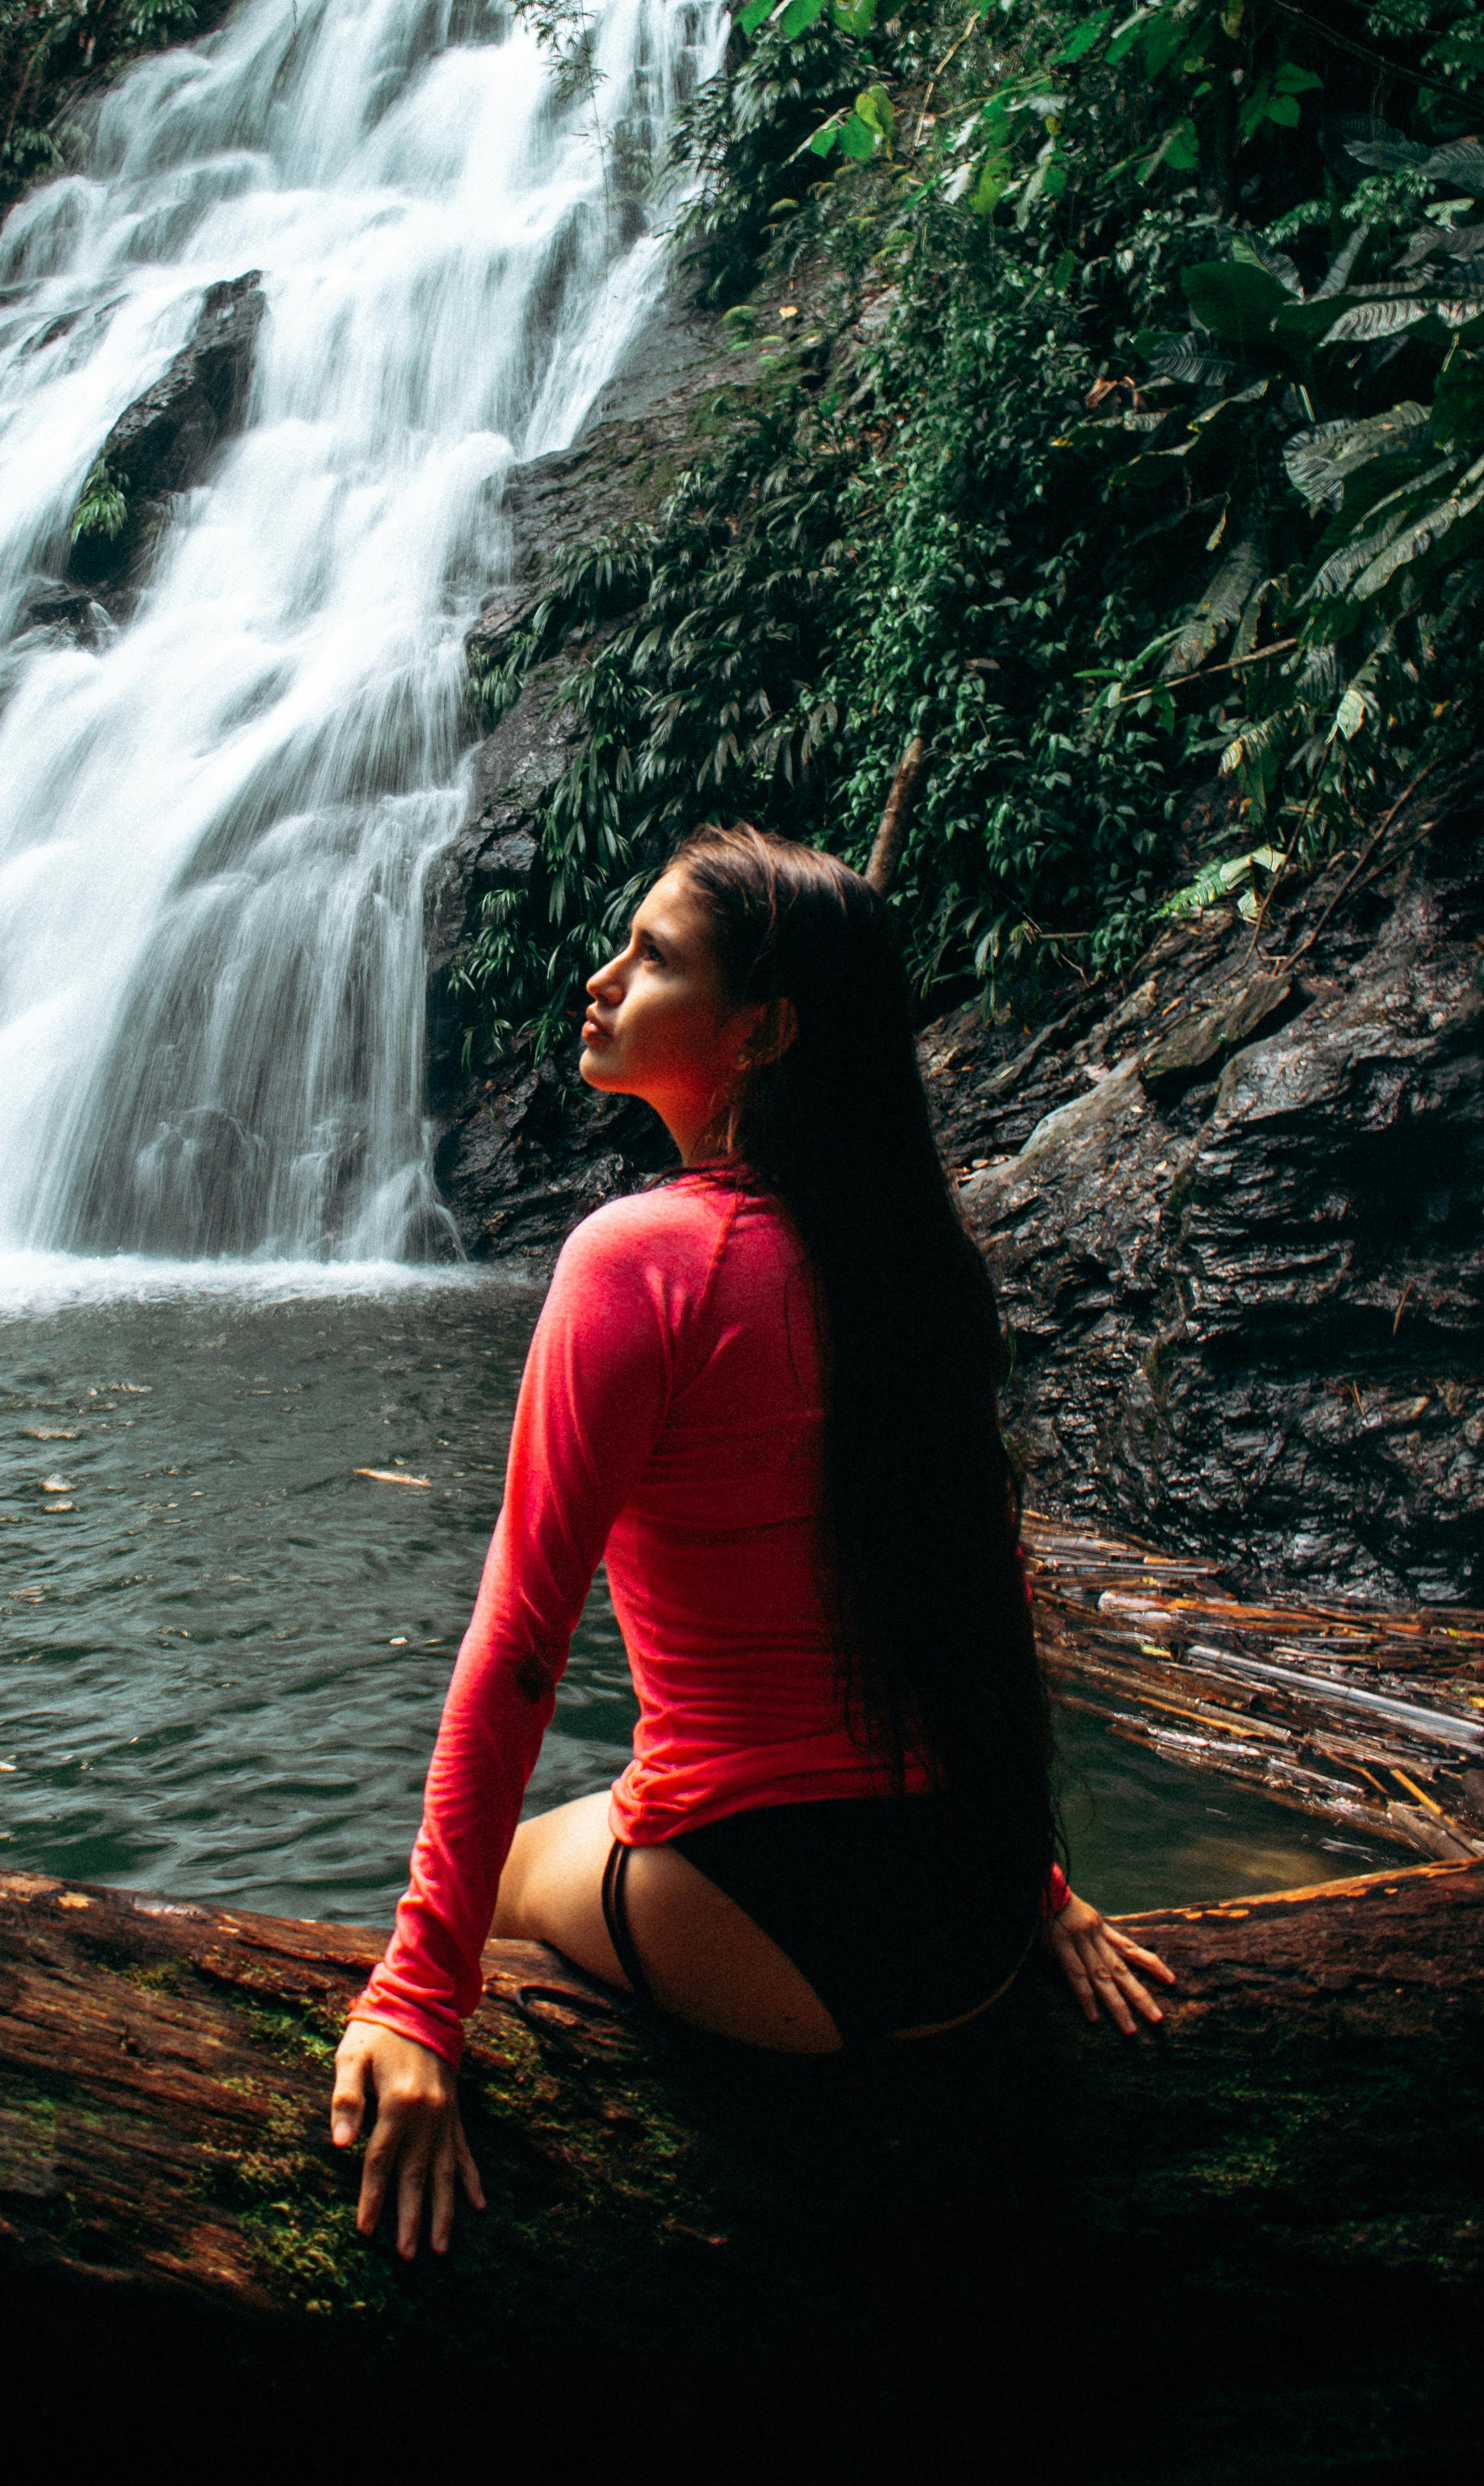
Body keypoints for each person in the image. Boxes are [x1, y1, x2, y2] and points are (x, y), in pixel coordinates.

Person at [331, 824, 1174, 2259]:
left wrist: (418, 1993)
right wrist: (1032, 1878)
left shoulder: (640, 1259)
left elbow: (525, 1645)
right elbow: (981, 1596)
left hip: (793, 1934)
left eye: (654, 959)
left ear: (766, 1030)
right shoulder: (917, 1260)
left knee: (510, 1878)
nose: (600, 980)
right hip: (972, 1911)